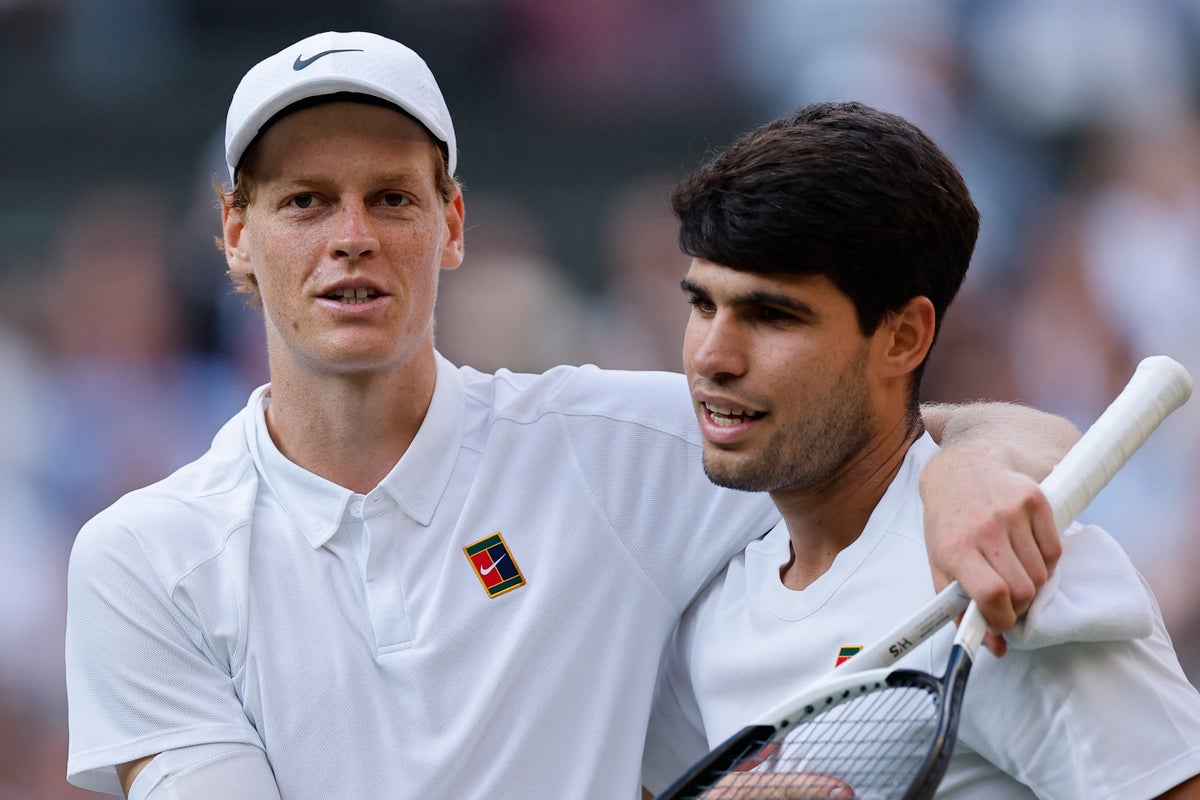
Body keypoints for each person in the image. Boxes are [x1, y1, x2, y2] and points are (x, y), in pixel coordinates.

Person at [65, 33, 1075, 800]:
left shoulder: (614, 448)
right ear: (236, 234)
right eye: (305, 203)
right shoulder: (143, 558)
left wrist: (965, 470)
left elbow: (959, 435)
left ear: (451, 226)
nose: (354, 238)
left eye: (393, 199)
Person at [640, 101, 1200, 798]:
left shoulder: (1017, 583)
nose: (713, 356)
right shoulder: (709, 589)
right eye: (702, 305)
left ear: (903, 337)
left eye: (773, 316)